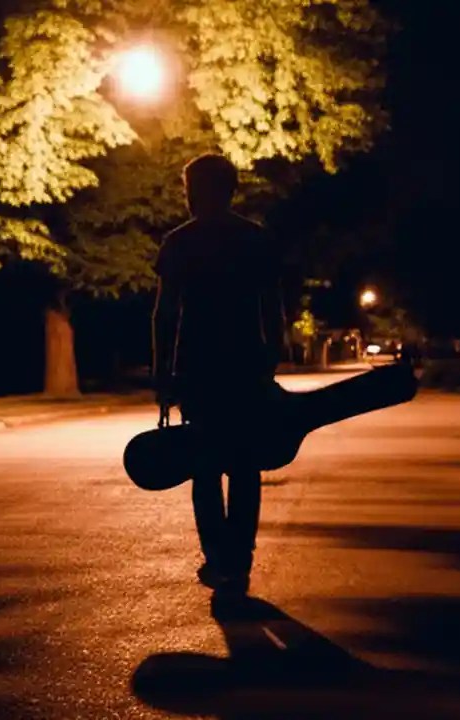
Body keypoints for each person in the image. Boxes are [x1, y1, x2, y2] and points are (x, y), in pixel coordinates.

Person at [152, 153, 285, 596]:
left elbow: (164, 313)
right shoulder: (256, 239)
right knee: (244, 465)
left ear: (209, 191)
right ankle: (238, 557)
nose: (189, 198)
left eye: (192, 189)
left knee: (206, 467)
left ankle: (218, 557)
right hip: (245, 365)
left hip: (198, 367)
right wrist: (271, 356)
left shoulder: (179, 243)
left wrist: (162, 372)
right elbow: (272, 305)